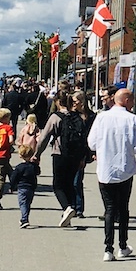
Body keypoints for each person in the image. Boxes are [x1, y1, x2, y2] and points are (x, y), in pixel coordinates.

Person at [86, 89, 136, 262]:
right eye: (132, 99)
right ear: (126, 100)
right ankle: (122, 245)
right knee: (123, 208)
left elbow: (92, 143)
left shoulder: (102, 117)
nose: (134, 103)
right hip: (125, 169)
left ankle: (108, 248)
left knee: (109, 209)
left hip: (105, 169)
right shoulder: (133, 119)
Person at [35, 90, 87, 228]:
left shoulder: (55, 117)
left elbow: (44, 138)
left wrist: (37, 154)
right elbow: (84, 139)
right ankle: (68, 216)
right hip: (75, 156)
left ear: (58, 102)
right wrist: (83, 157)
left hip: (60, 154)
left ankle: (67, 208)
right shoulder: (79, 117)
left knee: (58, 185)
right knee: (69, 184)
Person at [71, 90, 97, 218]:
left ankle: (79, 208)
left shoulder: (92, 116)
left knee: (77, 181)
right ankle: (72, 207)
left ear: (81, 102)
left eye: (75, 101)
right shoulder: (72, 115)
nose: (73, 104)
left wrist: (93, 152)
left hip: (84, 151)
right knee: (72, 181)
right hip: (71, 151)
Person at [9, 144, 40, 228]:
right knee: (28, 204)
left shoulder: (19, 167)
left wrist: (12, 187)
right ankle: (25, 217)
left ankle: (24, 219)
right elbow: (38, 172)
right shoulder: (33, 166)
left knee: (23, 203)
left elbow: (13, 178)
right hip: (31, 188)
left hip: (22, 187)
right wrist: (36, 163)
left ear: (20, 155)